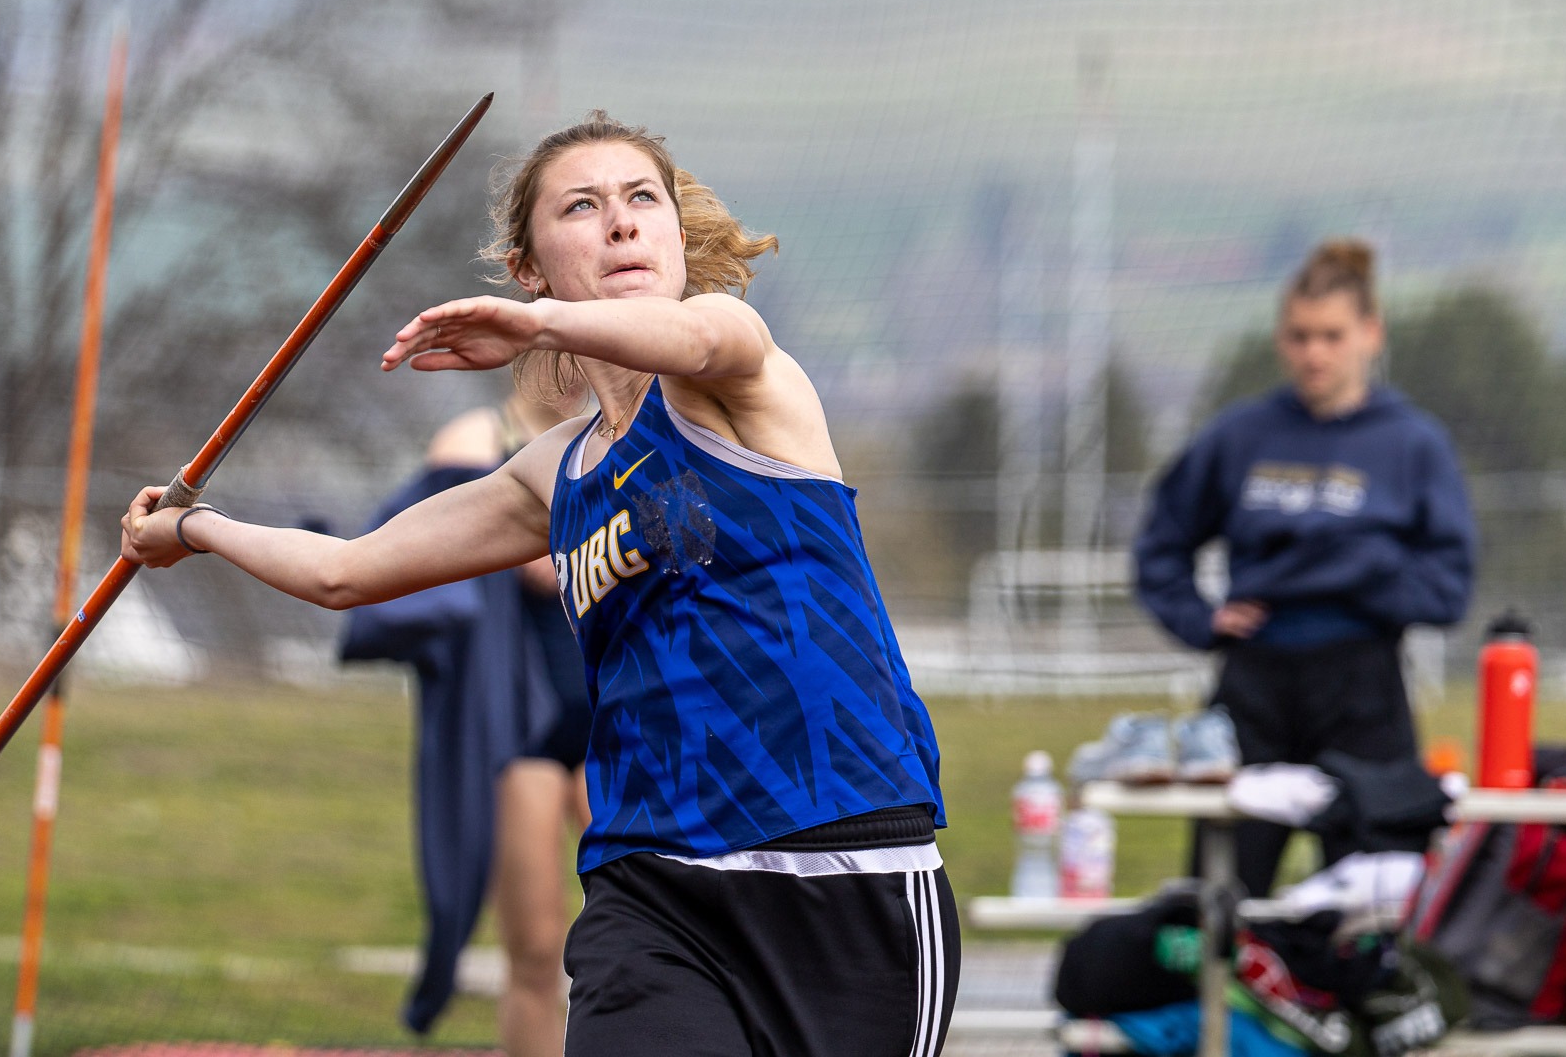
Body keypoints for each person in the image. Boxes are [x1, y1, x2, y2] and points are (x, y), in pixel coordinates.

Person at [122, 111, 959, 1055]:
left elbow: (693, 340)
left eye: (644, 199)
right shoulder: (550, 475)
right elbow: (345, 573)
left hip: (843, 868)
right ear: (528, 261)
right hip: (654, 891)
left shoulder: (737, 365)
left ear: (678, 236)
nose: (622, 223)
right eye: (583, 206)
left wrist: (534, 328)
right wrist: (194, 528)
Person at [1132, 238, 1477, 897]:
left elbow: (1447, 587)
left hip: (1363, 690)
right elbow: (1161, 547)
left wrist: (1362, 574)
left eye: (1332, 335)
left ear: (1370, 334)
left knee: (1374, 902)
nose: (1314, 353)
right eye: (1299, 336)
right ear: (1281, 338)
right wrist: (1203, 620)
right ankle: (1215, 1003)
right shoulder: (1240, 437)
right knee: (1220, 900)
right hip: (1254, 688)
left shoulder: (1413, 443)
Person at [340, 388, 591, 1055]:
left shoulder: (623, 427)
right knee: (537, 949)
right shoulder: (478, 440)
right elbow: (474, 553)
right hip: (522, 725)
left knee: (646, 936)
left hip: (617, 720)